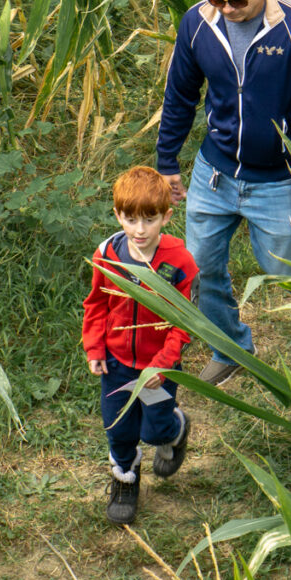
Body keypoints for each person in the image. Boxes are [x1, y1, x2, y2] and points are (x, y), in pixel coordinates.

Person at [157, 0, 291, 386]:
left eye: (237, 0)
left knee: (283, 268)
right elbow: (180, 95)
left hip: (279, 182)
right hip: (215, 173)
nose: (227, 9)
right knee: (200, 267)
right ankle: (232, 348)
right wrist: (167, 159)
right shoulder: (199, 23)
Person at [82, 166, 199, 525]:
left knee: (154, 430)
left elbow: (185, 323)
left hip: (157, 369)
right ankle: (124, 478)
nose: (139, 230)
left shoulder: (179, 263)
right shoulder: (108, 255)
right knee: (118, 429)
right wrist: (95, 348)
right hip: (117, 363)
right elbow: (96, 303)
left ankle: (176, 429)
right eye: (130, 219)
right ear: (118, 215)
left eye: (149, 219)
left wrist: (162, 365)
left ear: (166, 216)